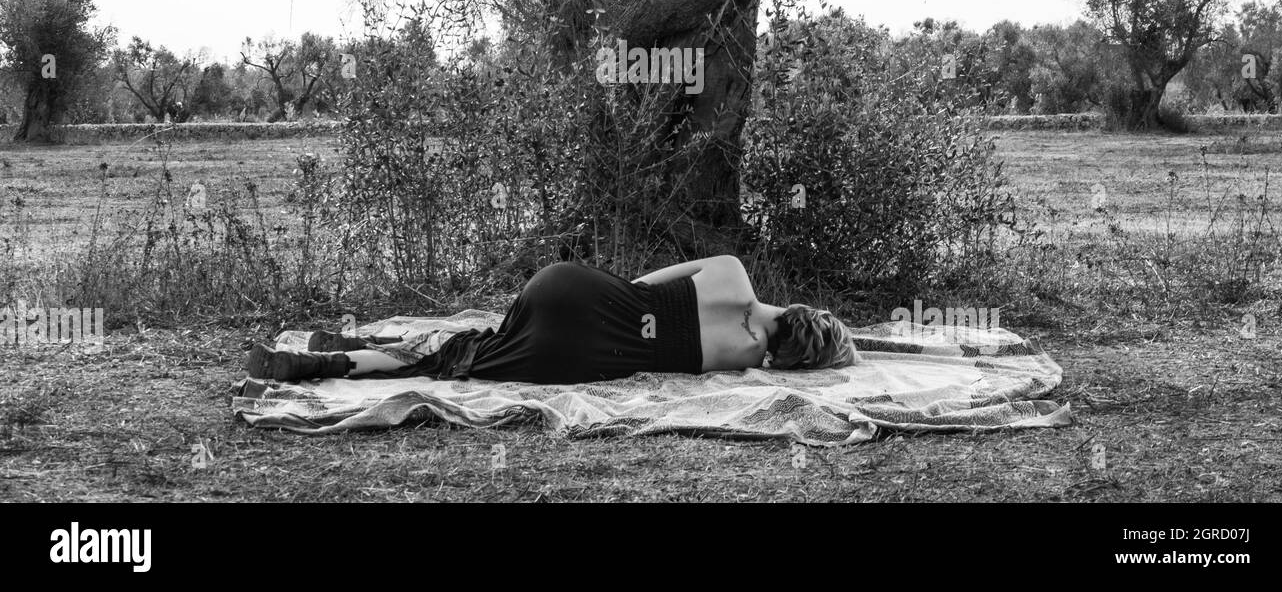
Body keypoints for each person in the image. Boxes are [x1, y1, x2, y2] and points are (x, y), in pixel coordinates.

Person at [244, 255, 858, 384]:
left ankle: (340, 342)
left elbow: (643, 284)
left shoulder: (731, 271)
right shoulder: (749, 359)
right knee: (455, 360)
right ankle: (313, 363)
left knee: (470, 335)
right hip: (571, 355)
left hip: (570, 288)